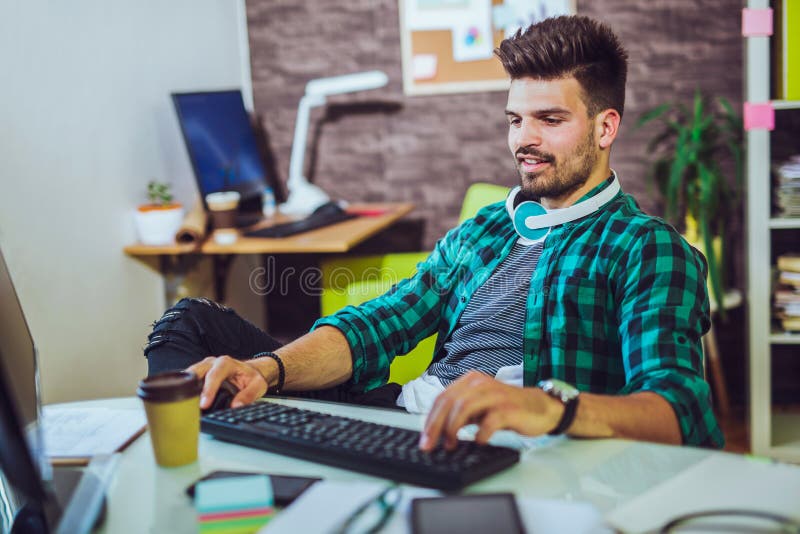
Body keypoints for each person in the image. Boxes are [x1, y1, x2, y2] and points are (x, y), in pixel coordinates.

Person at [144, 15, 723, 450]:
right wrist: (267, 371)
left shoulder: (647, 249)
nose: (525, 139)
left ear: (605, 128)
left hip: (499, 443)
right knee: (190, 321)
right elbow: (379, 323)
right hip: (401, 414)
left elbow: (679, 409)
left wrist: (550, 408)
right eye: (516, 119)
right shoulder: (485, 231)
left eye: (550, 120)